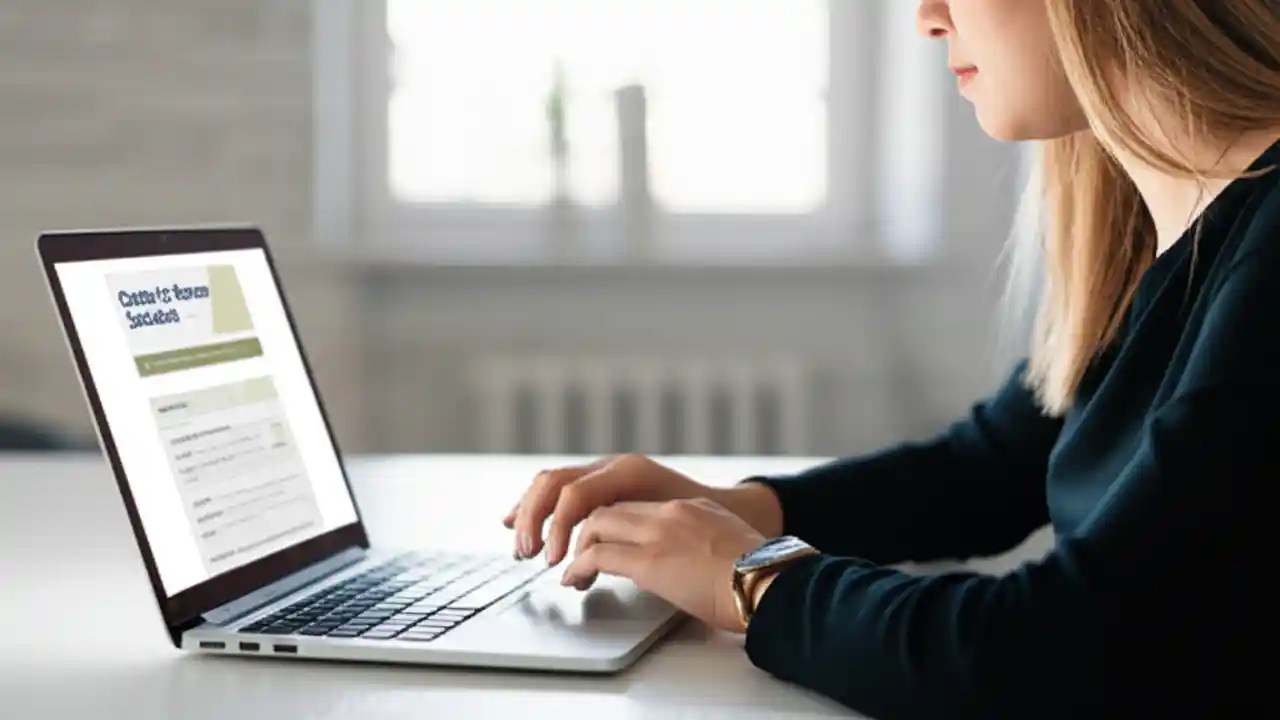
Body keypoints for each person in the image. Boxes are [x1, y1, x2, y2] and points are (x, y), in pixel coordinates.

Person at [502, 1, 1279, 717]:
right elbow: (990, 467)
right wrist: (743, 513)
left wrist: (755, 580)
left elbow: (1056, 651)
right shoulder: (1169, 232)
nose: (928, 16)